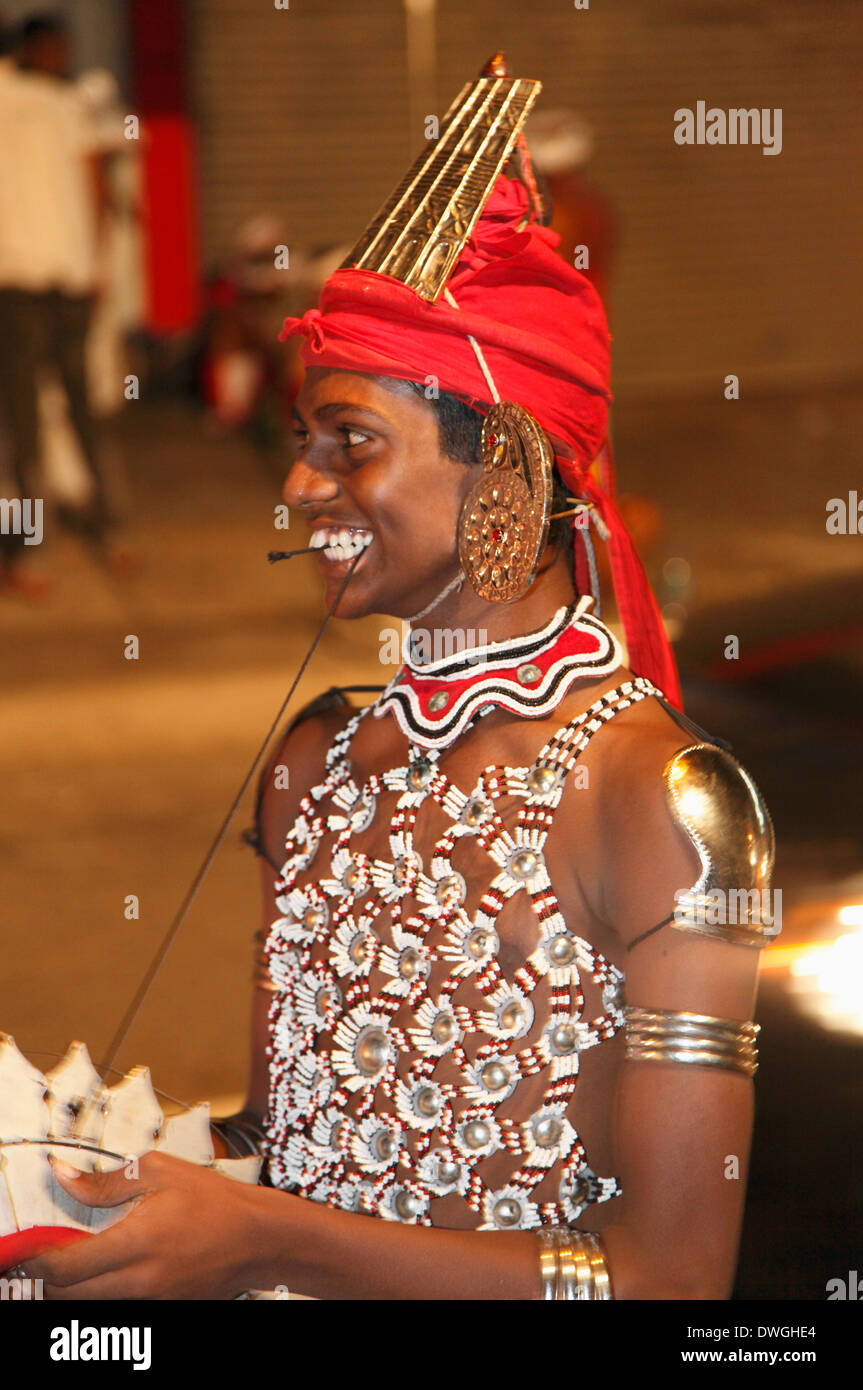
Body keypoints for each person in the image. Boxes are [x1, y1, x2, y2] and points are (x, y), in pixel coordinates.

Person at [27, 58, 776, 1301]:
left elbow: (673, 1284)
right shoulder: (313, 761)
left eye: (349, 442)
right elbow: (288, 1149)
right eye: (300, 439)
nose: (301, 486)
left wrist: (265, 1238)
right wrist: (82, 1186)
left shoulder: (661, 800)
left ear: (505, 474)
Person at [0, 12, 125, 593]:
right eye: (46, 47)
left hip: (71, 285)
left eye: (63, 48)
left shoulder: (74, 104)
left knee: (83, 415)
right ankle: (27, 552)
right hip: (15, 284)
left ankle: (108, 528)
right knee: (23, 427)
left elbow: (94, 181)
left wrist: (98, 264)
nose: (56, 56)